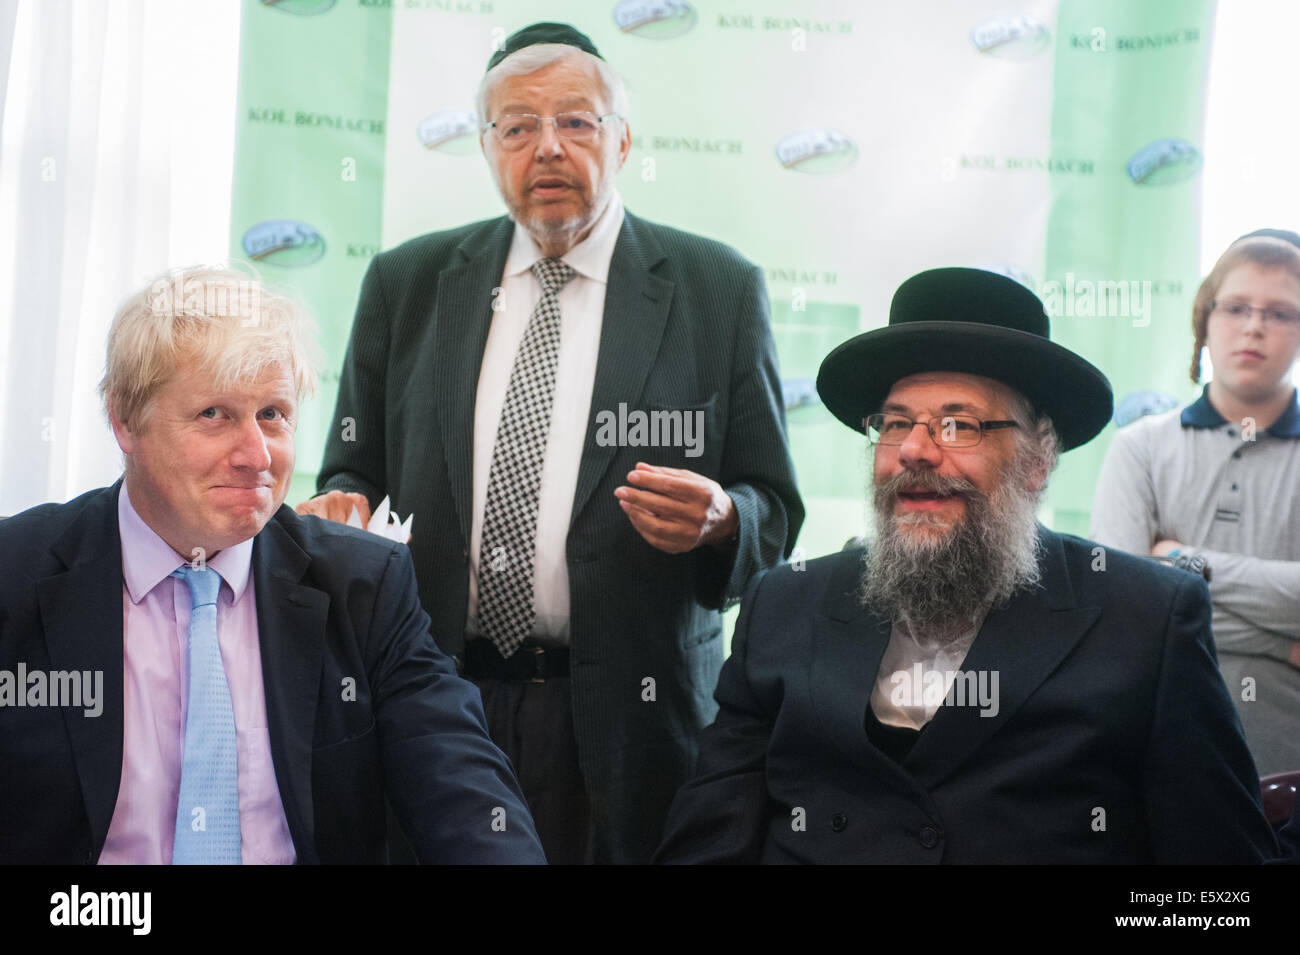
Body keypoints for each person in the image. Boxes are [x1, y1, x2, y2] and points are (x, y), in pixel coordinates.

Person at [300, 22, 802, 864]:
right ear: (488, 146)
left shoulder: (717, 289)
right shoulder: (408, 282)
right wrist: (341, 502)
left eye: (577, 122)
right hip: (436, 697)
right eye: (519, 126)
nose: (548, 148)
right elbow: (353, 465)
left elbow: (774, 507)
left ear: (624, 139)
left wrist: (722, 519)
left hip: (629, 721)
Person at [655, 267, 1275, 863]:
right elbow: (706, 840)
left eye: (959, 424)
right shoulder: (784, 604)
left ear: (1036, 461)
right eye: (895, 424)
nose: (915, 451)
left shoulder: (1147, 620)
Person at [0, 266, 546, 864]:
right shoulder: (17, 575)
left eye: (273, 414)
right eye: (214, 414)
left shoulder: (363, 586)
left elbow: (462, 789)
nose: (257, 456)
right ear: (124, 421)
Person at [1090, 232, 1300, 776]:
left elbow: (1156, 607)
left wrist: (1186, 562)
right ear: (1205, 319)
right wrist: (1284, 643)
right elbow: (1120, 611)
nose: (1254, 326)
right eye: (1236, 307)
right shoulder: (1139, 447)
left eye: (1280, 312)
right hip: (1158, 760)